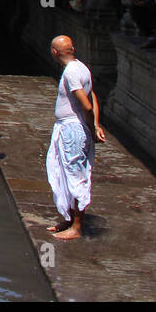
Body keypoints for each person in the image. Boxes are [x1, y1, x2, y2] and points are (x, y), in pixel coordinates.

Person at [46, 35, 106, 240]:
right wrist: (96, 125)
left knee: (75, 174)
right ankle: (70, 218)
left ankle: (77, 227)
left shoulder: (71, 72)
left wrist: (91, 127)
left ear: (55, 52)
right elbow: (93, 96)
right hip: (70, 126)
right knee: (61, 172)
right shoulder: (82, 68)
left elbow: (86, 104)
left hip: (73, 128)